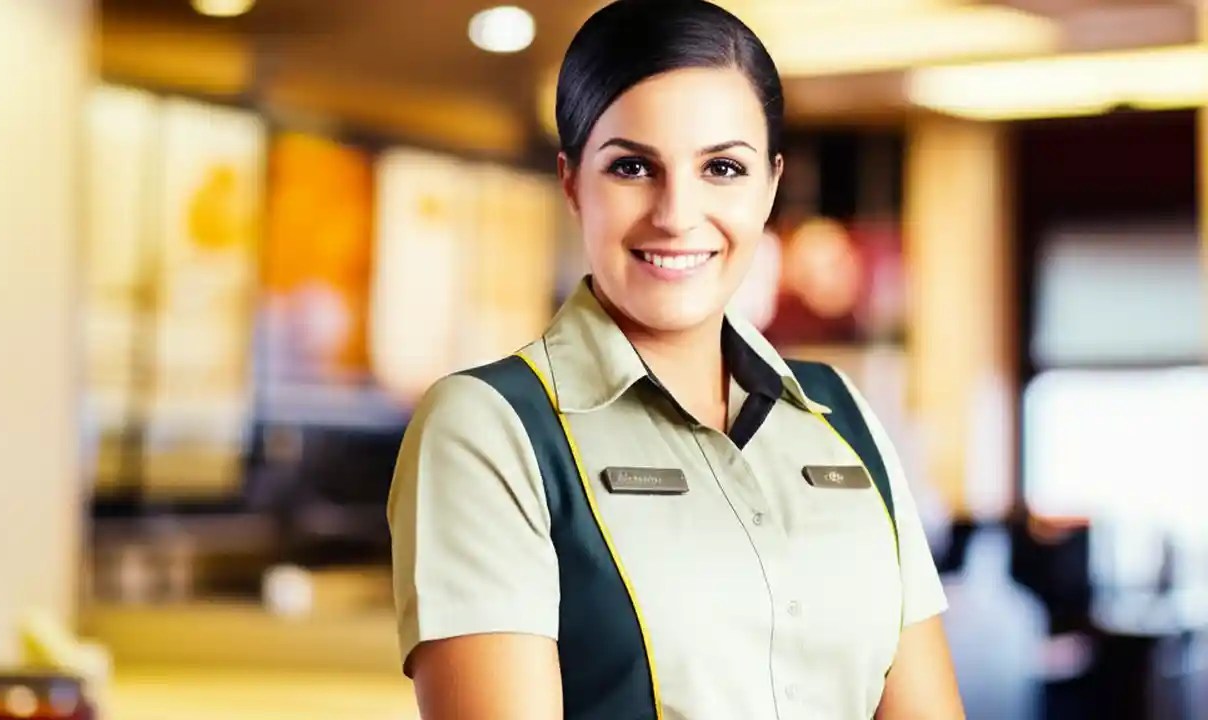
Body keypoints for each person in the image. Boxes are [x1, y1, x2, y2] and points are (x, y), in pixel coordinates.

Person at [387, 1, 965, 717]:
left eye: (723, 167)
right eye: (632, 166)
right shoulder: (488, 427)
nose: (677, 214)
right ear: (572, 183)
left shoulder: (840, 414)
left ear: (770, 186)